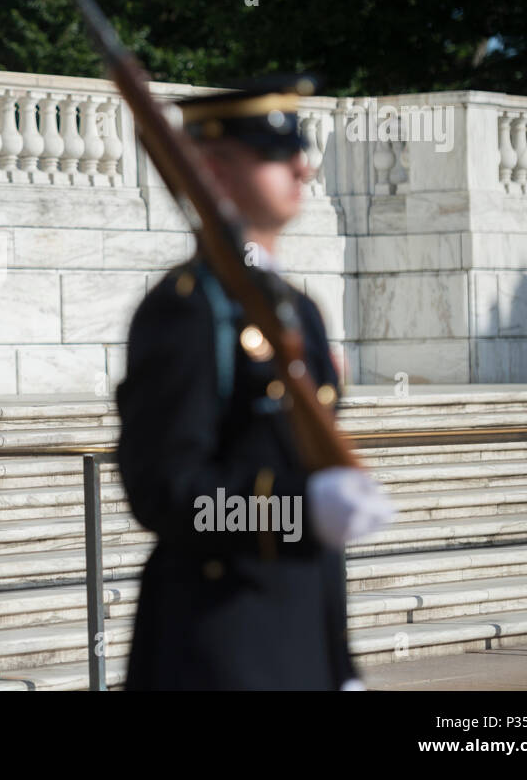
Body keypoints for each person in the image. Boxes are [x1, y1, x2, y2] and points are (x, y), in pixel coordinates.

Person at [116, 75, 394, 689]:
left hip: (300, 643)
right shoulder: (188, 309)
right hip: (218, 649)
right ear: (214, 172)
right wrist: (297, 510)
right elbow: (164, 491)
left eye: (300, 150)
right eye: (274, 154)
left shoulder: (300, 309)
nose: (303, 167)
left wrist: (339, 666)